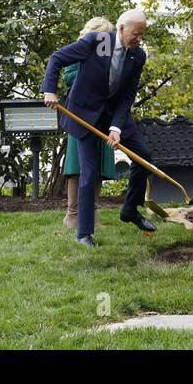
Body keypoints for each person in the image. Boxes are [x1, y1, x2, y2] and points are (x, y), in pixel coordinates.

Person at [42, 9, 154, 247]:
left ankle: (130, 210)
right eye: (136, 33)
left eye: (142, 34)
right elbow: (57, 58)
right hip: (85, 111)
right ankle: (84, 233)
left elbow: (127, 95)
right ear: (121, 28)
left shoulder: (138, 56)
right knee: (89, 171)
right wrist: (49, 90)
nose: (138, 39)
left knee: (143, 155)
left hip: (113, 113)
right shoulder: (96, 41)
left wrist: (116, 128)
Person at [58, 17, 120, 231]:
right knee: (78, 167)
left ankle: (92, 213)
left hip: (103, 116)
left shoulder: (112, 54)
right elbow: (68, 77)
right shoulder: (79, 50)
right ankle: (72, 214)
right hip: (81, 115)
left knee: (99, 165)